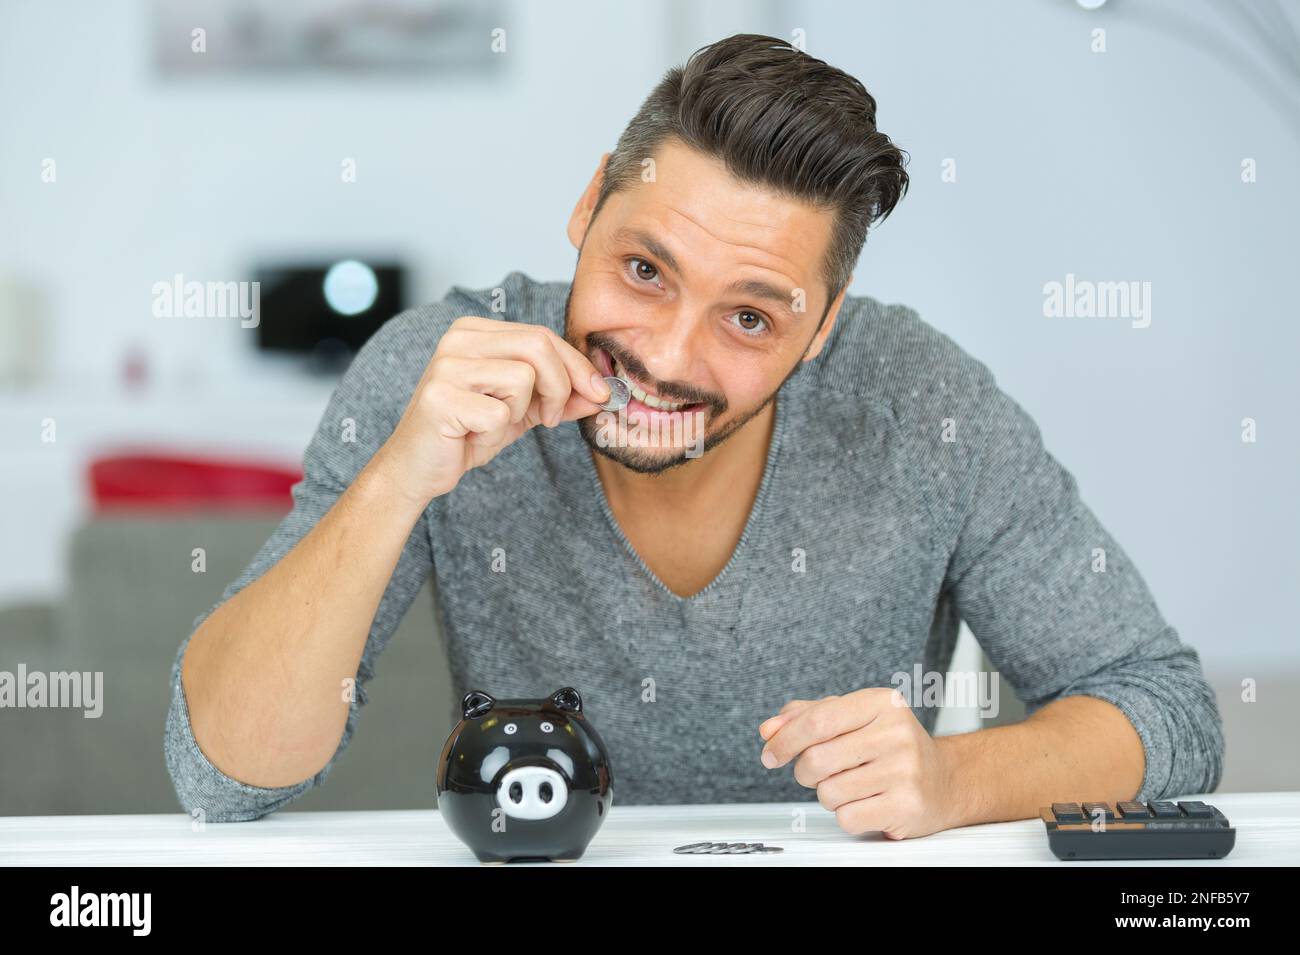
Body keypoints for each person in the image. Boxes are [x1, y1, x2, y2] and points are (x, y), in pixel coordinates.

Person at [164, 33, 1223, 838]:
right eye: (643, 269)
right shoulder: (437, 367)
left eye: (751, 317)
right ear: (587, 206)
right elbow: (220, 775)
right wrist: (398, 479)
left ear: (824, 327)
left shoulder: (923, 404)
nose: (668, 354)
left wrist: (957, 778)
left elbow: (1167, 711)